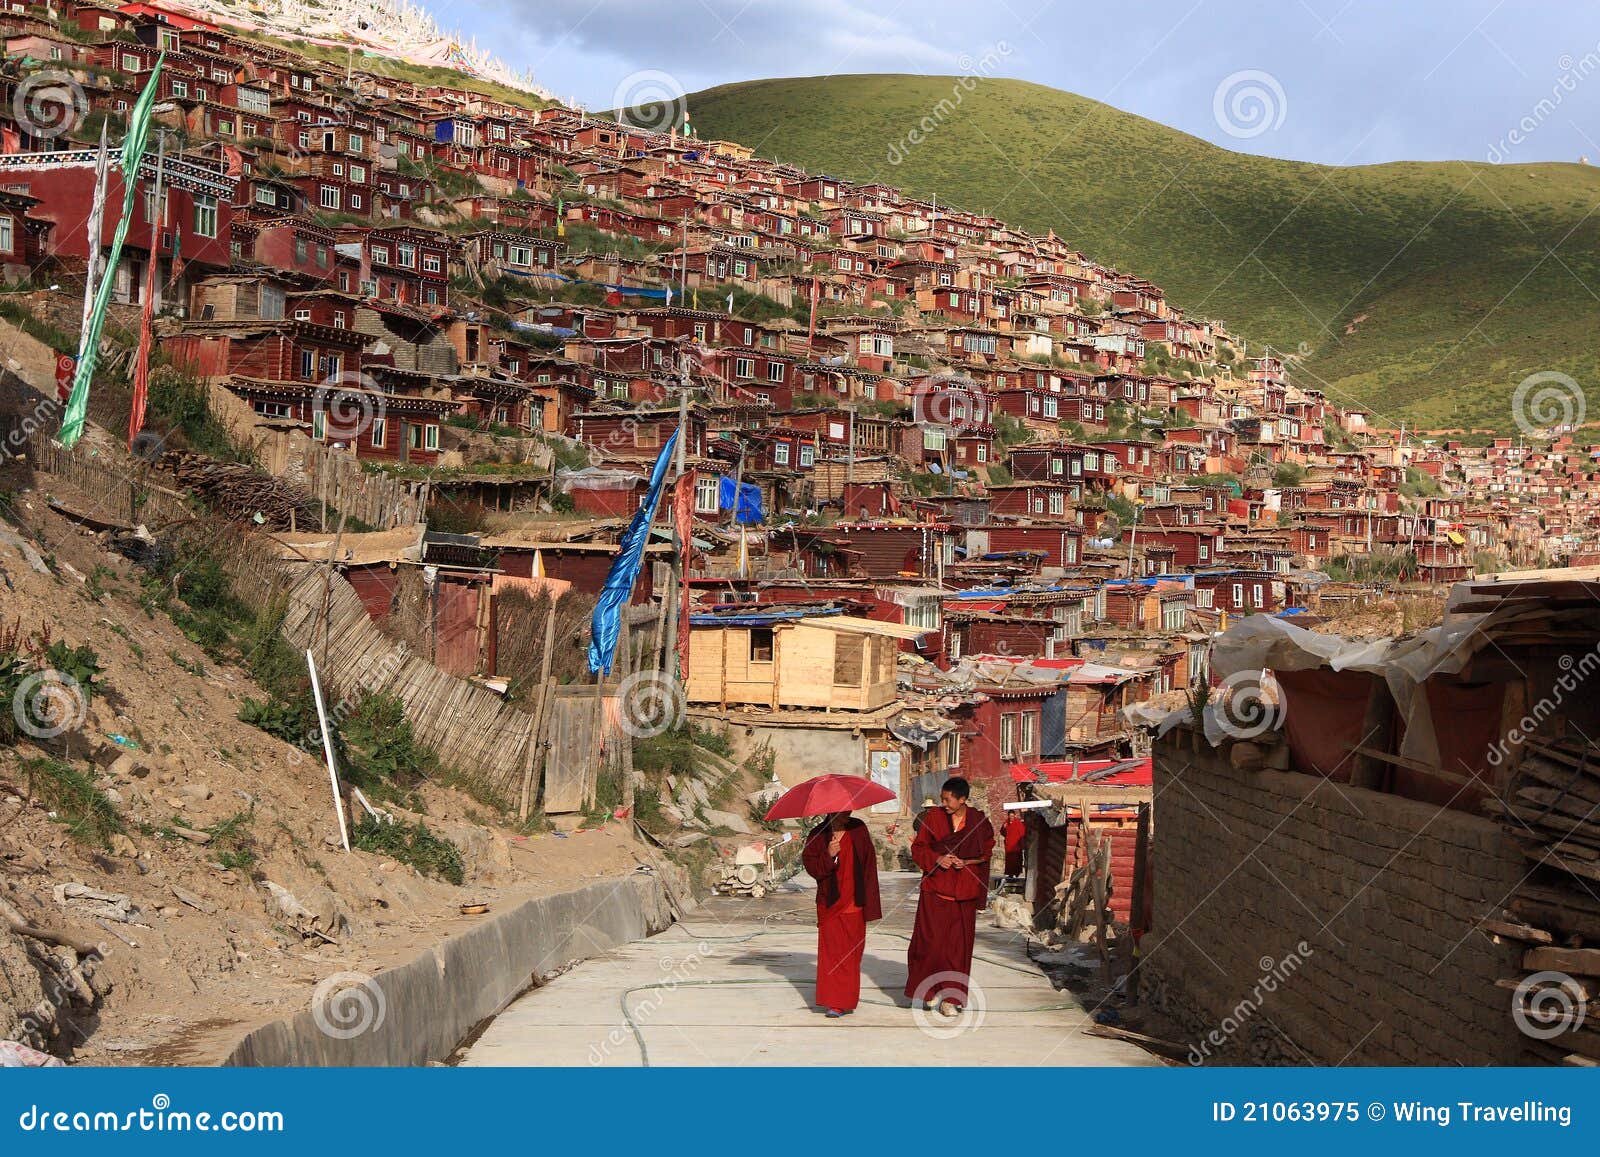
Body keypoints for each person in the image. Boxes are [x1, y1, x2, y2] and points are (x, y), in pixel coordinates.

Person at [905, 776, 995, 1016]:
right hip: (935, 891)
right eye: (942, 798)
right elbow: (918, 848)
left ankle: (951, 998)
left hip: (963, 893)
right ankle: (929, 992)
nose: (943, 803)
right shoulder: (934, 818)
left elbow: (986, 852)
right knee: (930, 945)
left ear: (962, 799)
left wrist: (966, 861)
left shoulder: (978, 821)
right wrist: (938, 859)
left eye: (948, 799)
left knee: (958, 949)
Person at [802, 810, 882, 1018]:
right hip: (830, 904)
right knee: (831, 955)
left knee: (851, 954)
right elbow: (812, 868)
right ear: (831, 811)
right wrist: (828, 855)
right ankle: (834, 1003)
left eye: (848, 810)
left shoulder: (858, 829)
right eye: (842, 811)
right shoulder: (818, 834)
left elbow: (869, 865)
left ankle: (845, 999)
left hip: (855, 903)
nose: (847, 814)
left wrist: (870, 903)